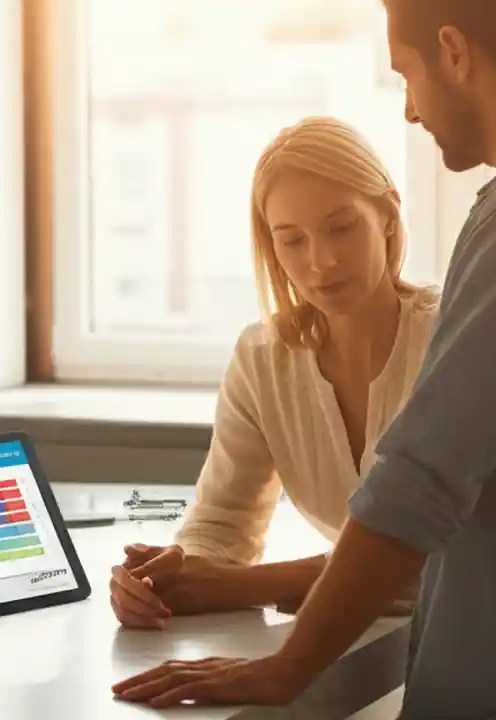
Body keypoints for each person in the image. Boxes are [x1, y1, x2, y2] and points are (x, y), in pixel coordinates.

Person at [113, 1, 496, 718]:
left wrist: (285, 671)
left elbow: (419, 485)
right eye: (291, 239)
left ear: (454, 52)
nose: (408, 109)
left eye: (406, 73)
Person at [108, 117, 439, 630]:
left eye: (342, 228)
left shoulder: (451, 336)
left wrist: (243, 585)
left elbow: (436, 553)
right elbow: (223, 524)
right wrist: (166, 578)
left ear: (388, 216)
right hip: (366, 637)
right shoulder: (263, 360)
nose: (321, 262)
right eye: (292, 240)